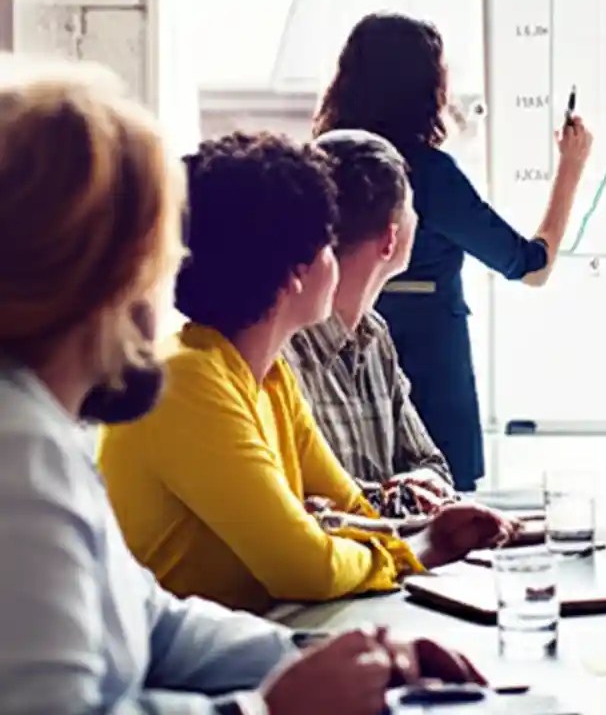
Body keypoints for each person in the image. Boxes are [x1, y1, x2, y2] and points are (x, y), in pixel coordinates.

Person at [0, 56, 483, 715]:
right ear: (97, 265)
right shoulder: (18, 451)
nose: (172, 267)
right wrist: (269, 708)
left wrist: (326, 658)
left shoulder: (42, 430)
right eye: (158, 241)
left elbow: (155, 625)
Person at [99, 131, 511, 615]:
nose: (336, 260)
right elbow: (306, 567)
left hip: (247, 642)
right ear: (296, 271)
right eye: (327, 246)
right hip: (180, 670)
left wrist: (430, 531)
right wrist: (417, 550)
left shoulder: (267, 378)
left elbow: (351, 510)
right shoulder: (189, 381)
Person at [313, 13, 594, 491]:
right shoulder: (427, 174)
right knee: (443, 513)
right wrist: (570, 168)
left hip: (327, 374)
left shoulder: (321, 159)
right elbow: (531, 266)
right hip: (430, 370)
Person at [284, 128, 464, 517]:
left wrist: (415, 489)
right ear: (390, 239)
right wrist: (399, 499)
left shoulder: (375, 335)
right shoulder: (280, 351)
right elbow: (306, 505)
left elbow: (431, 465)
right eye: (412, 208)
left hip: (394, 564)